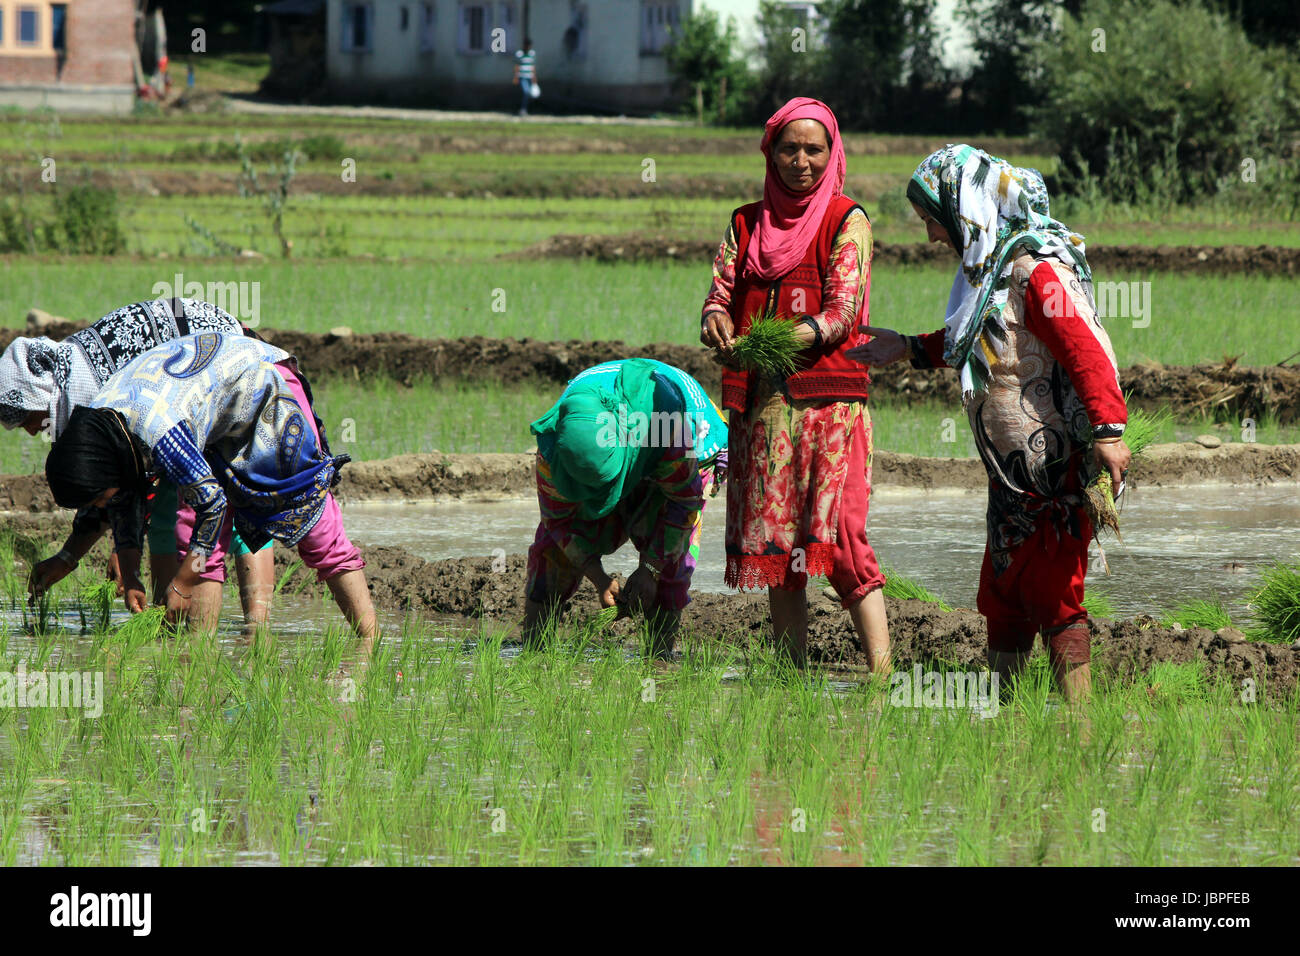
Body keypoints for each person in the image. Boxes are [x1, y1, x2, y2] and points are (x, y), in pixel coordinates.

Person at [847, 144, 1130, 703]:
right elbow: (976, 342)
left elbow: (1086, 350)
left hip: (1053, 473)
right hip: (1011, 480)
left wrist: (1109, 433)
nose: (932, 235)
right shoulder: (992, 276)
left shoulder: (1034, 272)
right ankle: (1004, 723)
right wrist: (906, 348)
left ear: (964, 210)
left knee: (1054, 593)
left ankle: (1082, 726)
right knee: (1003, 592)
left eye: (934, 220)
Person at [700, 97, 890, 671]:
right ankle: (791, 677)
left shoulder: (847, 219)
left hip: (829, 408)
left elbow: (842, 312)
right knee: (781, 550)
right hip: (764, 409)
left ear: (832, 154)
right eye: (789, 148)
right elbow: (721, 294)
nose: (800, 161)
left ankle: (882, 673)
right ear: (770, 153)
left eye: (814, 149)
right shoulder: (745, 222)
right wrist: (717, 320)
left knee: (842, 540)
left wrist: (782, 338)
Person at [43, 332, 378, 640]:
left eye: (98, 498)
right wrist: (131, 576)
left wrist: (185, 581)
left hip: (264, 387)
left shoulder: (155, 430)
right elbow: (125, 495)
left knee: (317, 529)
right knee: (194, 535)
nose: (101, 506)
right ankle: (199, 659)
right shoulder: (106, 429)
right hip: (210, 412)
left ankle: (370, 642)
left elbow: (213, 504)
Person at [1, 298, 276, 628]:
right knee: (177, 512)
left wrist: (122, 549)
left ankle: (235, 640)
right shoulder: (70, 375)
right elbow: (113, 486)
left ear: (41, 395)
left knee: (213, 508)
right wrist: (78, 555)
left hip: (223, 378)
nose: (32, 431)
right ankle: (187, 632)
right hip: (182, 396)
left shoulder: (89, 394)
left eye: (29, 419)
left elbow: (121, 484)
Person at [523, 358, 727, 659]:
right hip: (626, 441)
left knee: (672, 554)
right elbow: (559, 522)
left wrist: (650, 569)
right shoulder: (558, 442)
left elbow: (683, 505)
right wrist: (600, 578)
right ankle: (534, 654)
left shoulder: (668, 428)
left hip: (682, 438)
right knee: (552, 554)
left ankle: (658, 663)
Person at [513, 38, 537, 116]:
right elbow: (517, 65)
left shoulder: (532, 54)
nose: (528, 47)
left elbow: (532, 66)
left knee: (530, 93)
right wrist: (516, 77)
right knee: (526, 92)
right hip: (522, 76)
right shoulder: (519, 54)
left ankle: (527, 108)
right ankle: (523, 109)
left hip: (530, 76)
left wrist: (534, 77)